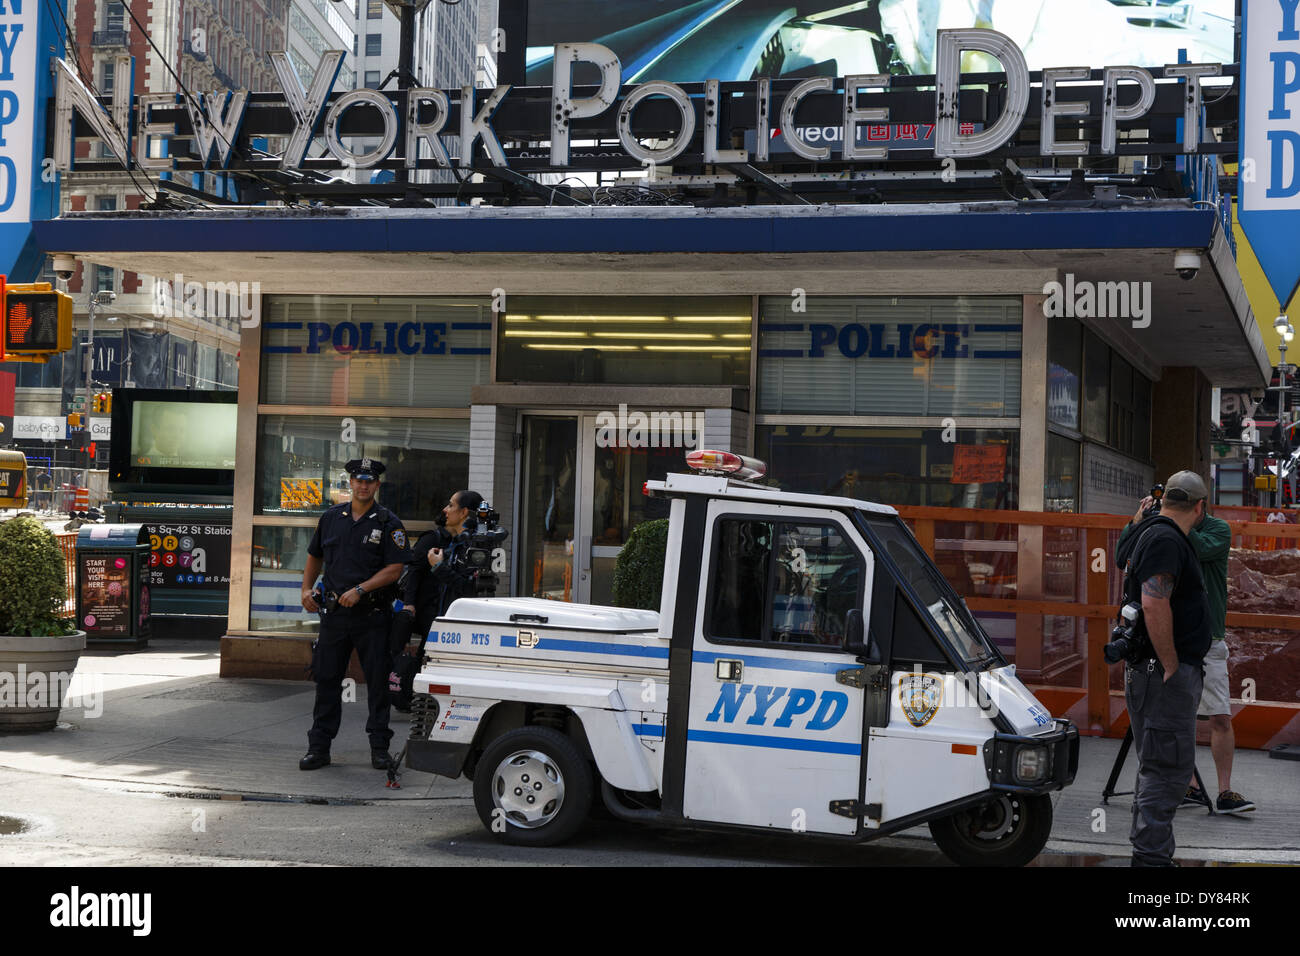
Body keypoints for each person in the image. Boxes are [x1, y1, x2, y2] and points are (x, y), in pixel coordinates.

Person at [1120, 476, 1254, 815]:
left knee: (1220, 715)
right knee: (1178, 721)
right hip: (1166, 641)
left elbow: (1196, 545)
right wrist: (1138, 520)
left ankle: (1224, 791)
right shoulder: (1158, 530)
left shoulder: (1217, 530)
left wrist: (1165, 519)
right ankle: (1189, 788)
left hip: (1208, 639)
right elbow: (1123, 555)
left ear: (1199, 504)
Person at [1115, 470, 1213, 866]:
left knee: (1157, 764)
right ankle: (1151, 861)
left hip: (1152, 672)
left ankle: (1151, 854)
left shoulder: (1151, 531)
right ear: (1200, 507)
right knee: (1167, 768)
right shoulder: (1167, 539)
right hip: (1162, 674)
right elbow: (1154, 603)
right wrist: (1171, 663)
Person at [299, 457, 408, 771]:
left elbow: (395, 568)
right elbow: (314, 556)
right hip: (334, 616)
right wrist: (306, 589)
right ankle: (318, 749)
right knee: (327, 680)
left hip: (372, 617)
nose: (363, 485)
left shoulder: (388, 522)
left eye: (369, 480)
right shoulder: (332, 517)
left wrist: (361, 589)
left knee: (377, 684)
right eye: (358, 480)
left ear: (377, 485)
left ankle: (379, 748)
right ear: (350, 483)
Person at [400, 490, 484, 648]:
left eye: (451, 505)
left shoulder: (473, 548)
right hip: (443, 622)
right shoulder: (456, 542)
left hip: (459, 628)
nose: (445, 509)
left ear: (464, 512)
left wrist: (438, 567)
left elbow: (469, 589)